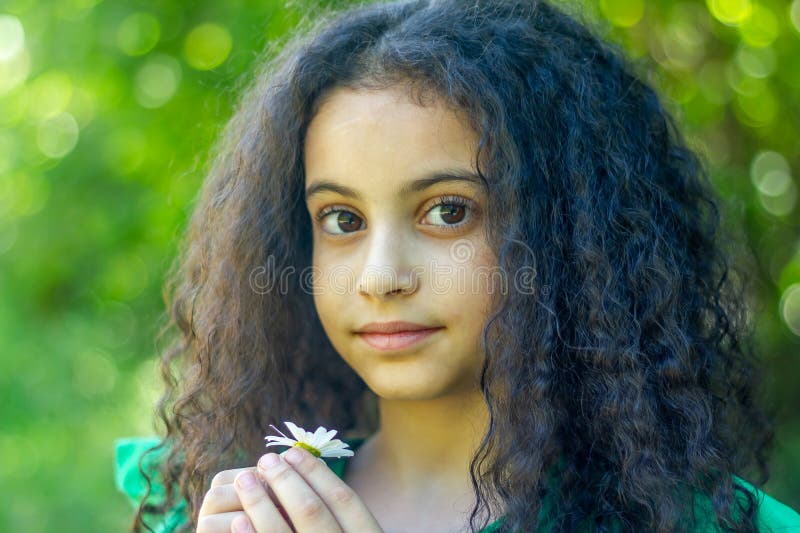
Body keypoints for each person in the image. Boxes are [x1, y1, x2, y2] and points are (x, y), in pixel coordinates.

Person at [114, 0, 800, 531]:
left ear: (566, 231)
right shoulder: (225, 508)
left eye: (448, 211)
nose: (380, 277)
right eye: (342, 219)